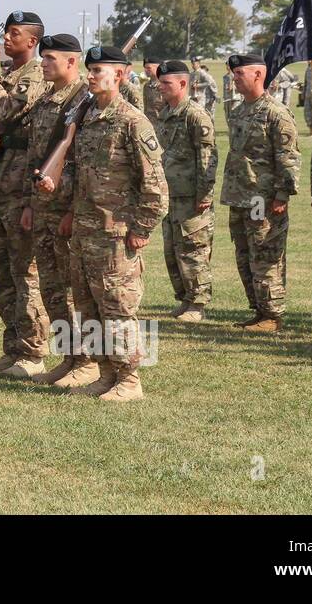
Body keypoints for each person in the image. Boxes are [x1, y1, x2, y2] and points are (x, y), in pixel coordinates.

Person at [68, 45, 168, 402]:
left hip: (116, 233)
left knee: (118, 307)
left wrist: (141, 229)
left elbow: (155, 186)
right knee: (87, 306)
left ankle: (129, 378)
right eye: (89, 69)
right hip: (85, 231)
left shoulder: (132, 121)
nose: (91, 76)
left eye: (99, 70)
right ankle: (105, 371)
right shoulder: (87, 116)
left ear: (120, 76)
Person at [0, 11, 51, 378]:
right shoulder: (4, 76)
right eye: (5, 32)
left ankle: (33, 350)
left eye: (14, 33)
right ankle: (12, 345)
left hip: (20, 188)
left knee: (25, 273)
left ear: (32, 41)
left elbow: (6, 109)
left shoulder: (34, 75)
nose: (5, 38)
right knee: (2, 273)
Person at [21, 33, 97, 388]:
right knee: (52, 290)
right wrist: (30, 204)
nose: (43, 64)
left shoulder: (86, 101)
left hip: (69, 210)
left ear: (72, 62)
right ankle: (69, 357)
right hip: (43, 207)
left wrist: (70, 209)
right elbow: (37, 158)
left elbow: (88, 165)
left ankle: (89, 361)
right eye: (43, 57)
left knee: (77, 291)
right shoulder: (46, 102)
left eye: (50, 58)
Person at [221, 54, 300, 332]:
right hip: (240, 196)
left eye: (240, 73)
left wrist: (281, 195)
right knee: (245, 256)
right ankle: (257, 309)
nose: (235, 78)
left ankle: (272, 315)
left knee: (265, 255)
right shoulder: (239, 110)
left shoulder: (275, 113)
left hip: (262, 199)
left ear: (258, 75)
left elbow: (288, 157)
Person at [153, 60, 217, 322]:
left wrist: (205, 194)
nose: (160, 88)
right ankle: (186, 299)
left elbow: (207, 158)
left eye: (166, 83)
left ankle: (198, 304)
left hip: (192, 196)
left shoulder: (195, 115)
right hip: (171, 194)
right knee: (173, 249)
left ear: (182, 83)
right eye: (160, 83)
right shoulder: (166, 113)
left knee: (194, 249)